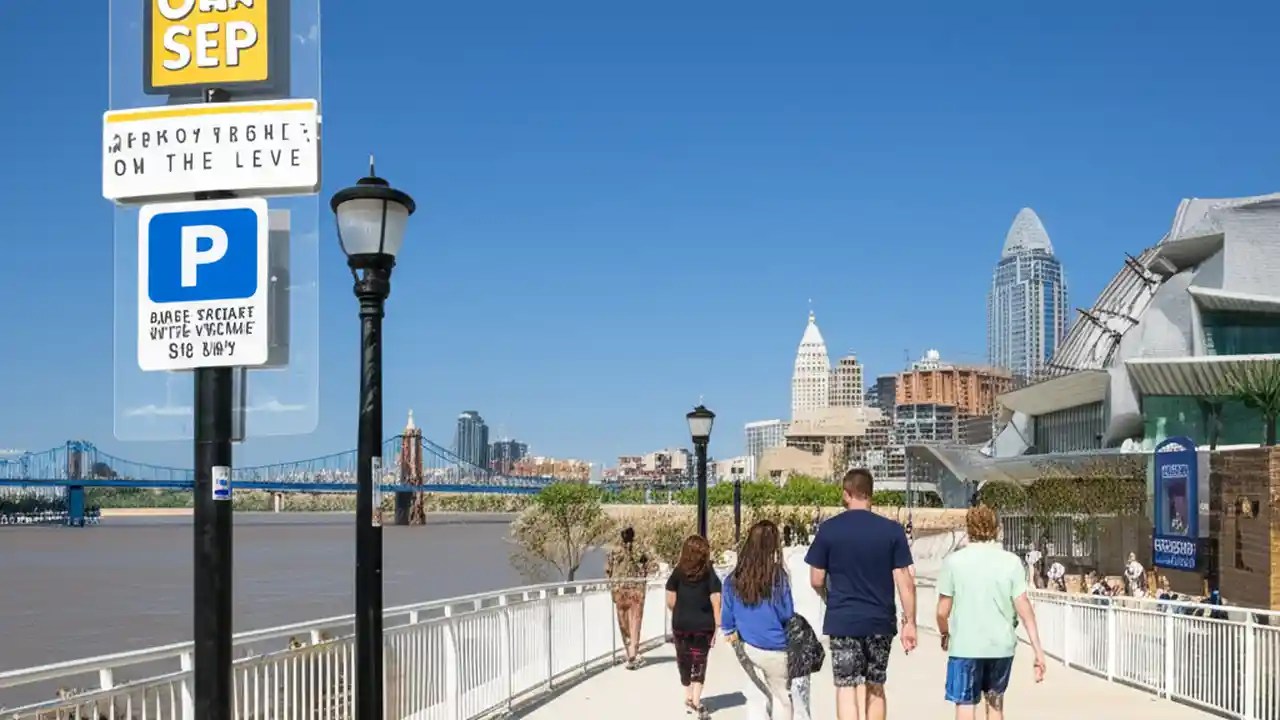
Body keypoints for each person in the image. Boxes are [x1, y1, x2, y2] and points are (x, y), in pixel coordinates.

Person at [806, 468, 917, 720]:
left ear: (847, 494)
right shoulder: (892, 531)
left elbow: (816, 578)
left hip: (843, 618)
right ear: (870, 494)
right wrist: (910, 622)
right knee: (875, 685)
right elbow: (905, 581)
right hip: (880, 620)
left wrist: (829, 597)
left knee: (846, 686)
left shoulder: (829, 530)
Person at [936, 505, 1047, 720]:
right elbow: (1024, 608)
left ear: (969, 529)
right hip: (1000, 647)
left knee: (965, 704)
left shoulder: (954, 562)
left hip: (965, 646)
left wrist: (944, 633)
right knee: (995, 703)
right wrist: (1037, 650)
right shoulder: (1011, 562)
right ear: (996, 528)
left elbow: (942, 611)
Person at [722, 520, 796, 720]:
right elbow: (787, 614)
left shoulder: (733, 578)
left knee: (757, 697)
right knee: (782, 699)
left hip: (748, 646)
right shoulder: (777, 577)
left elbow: (727, 621)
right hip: (777, 648)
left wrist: (733, 639)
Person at [666, 535, 723, 718]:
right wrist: (717, 622)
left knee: (683, 659)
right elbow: (716, 598)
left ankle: (688, 696)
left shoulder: (678, 572)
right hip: (703, 625)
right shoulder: (709, 572)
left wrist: (681, 610)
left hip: (681, 623)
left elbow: (670, 600)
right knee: (699, 660)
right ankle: (696, 701)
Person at [606, 526, 657, 669]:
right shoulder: (640, 550)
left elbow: (608, 570)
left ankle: (630, 652)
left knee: (624, 624)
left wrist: (613, 585)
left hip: (620, 590)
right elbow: (650, 567)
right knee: (635, 622)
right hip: (636, 590)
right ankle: (633, 652)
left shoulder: (614, 551)